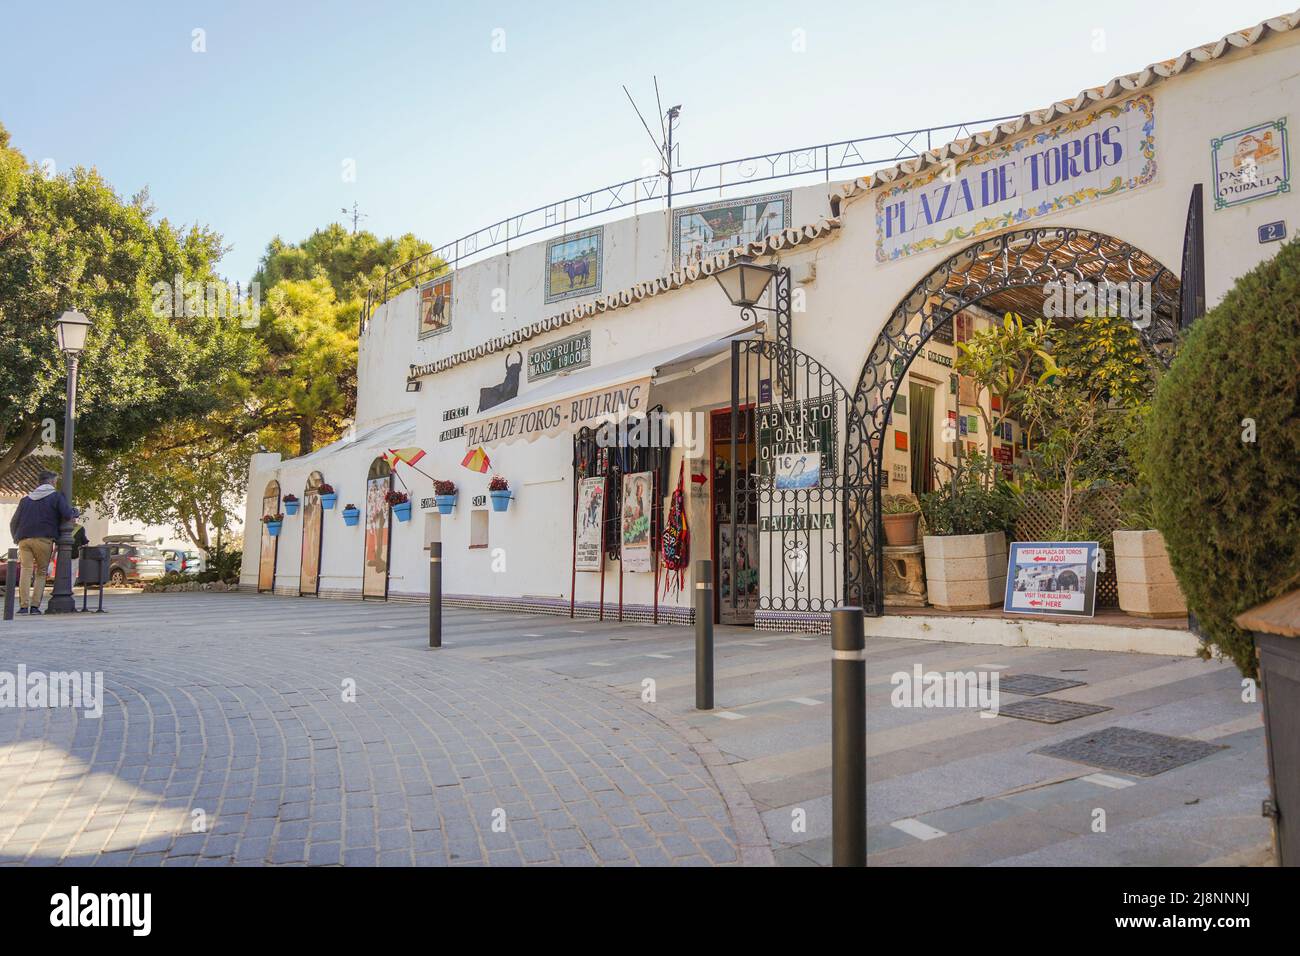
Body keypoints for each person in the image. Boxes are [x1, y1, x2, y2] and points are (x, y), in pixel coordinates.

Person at [8, 470, 75, 614]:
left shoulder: (25, 500)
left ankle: (23, 606)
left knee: (25, 571)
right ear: (51, 482)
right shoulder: (56, 497)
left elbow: (14, 522)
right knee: (41, 572)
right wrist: (75, 512)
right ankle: (35, 606)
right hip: (43, 539)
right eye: (55, 482)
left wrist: (16, 537)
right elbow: (68, 514)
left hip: (24, 539)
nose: (56, 484)